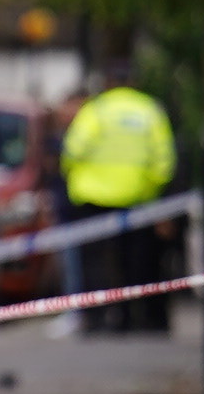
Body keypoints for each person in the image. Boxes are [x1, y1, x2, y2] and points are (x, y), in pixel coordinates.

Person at [60, 69, 176, 334]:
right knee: (139, 263)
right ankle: (139, 317)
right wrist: (153, 188)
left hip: (94, 197)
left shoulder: (96, 110)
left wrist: (74, 176)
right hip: (138, 197)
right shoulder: (149, 110)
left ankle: (98, 318)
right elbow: (164, 159)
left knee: (96, 262)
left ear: (109, 83)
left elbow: (74, 150)